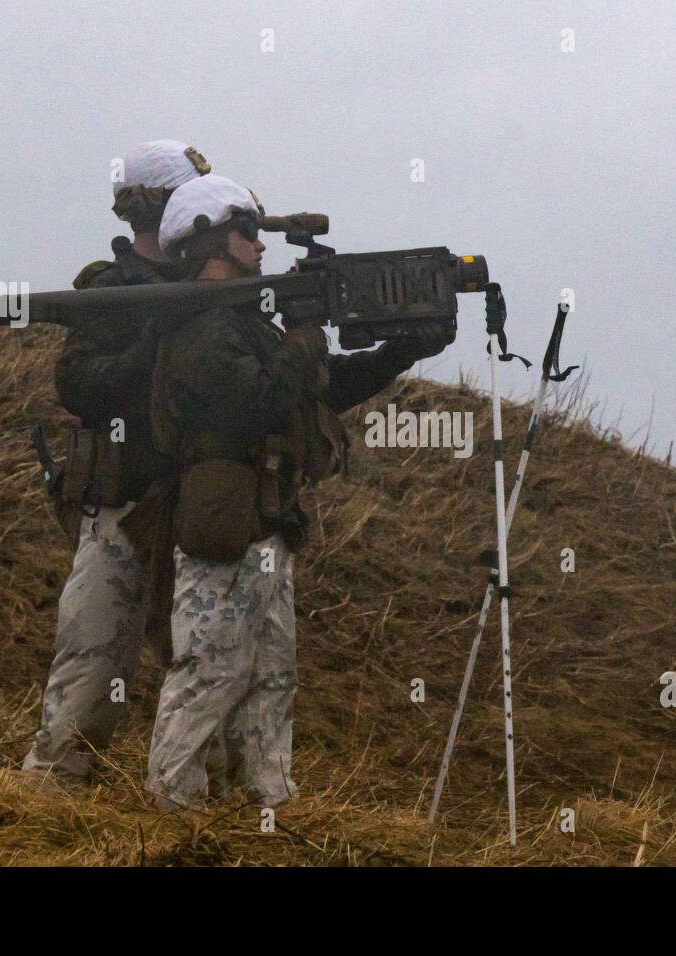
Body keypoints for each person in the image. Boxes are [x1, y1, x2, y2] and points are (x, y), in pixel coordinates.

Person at [131, 174, 447, 808]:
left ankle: (268, 802)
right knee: (211, 671)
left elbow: (313, 390)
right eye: (248, 232)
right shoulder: (198, 327)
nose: (261, 245)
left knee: (273, 672)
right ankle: (172, 808)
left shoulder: (249, 326)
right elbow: (254, 400)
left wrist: (400, 353)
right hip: (225, 519)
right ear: (212, 243)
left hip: (269, 518)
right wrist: (304, 331)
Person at [22, 139, 212, 785]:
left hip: (196, 512)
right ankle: (47, 803)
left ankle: (214, 810)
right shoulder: (109, 292)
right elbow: (78, 386)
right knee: (92, 667)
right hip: (122, 507)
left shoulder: (208, 286)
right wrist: (150, 347)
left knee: (211, 668)